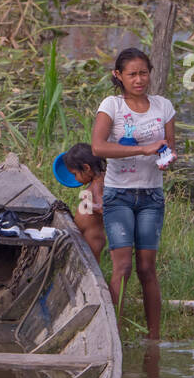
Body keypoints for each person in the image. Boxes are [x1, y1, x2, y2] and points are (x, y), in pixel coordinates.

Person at [91, 47, 176, 340]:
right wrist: (142, 148)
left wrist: (167, 158)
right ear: (119, 76)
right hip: (119, 196)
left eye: (143, 73)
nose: (139, 80)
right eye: (132, 74)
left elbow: (169, 147)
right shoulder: (112, 106)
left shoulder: (163, 107)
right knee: (123, 266)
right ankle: (111, 336)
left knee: (147, 268)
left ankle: (154, 338)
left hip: (152, 197)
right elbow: (98, 148)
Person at [61, 142, 106, 259]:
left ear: (86, 168)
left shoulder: (98, 183)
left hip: (92, 237)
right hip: (88, 235)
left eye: (75, 174)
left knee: (91, 268)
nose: (75, 178)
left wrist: (88, 204)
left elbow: (103, 208)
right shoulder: (97, 180)